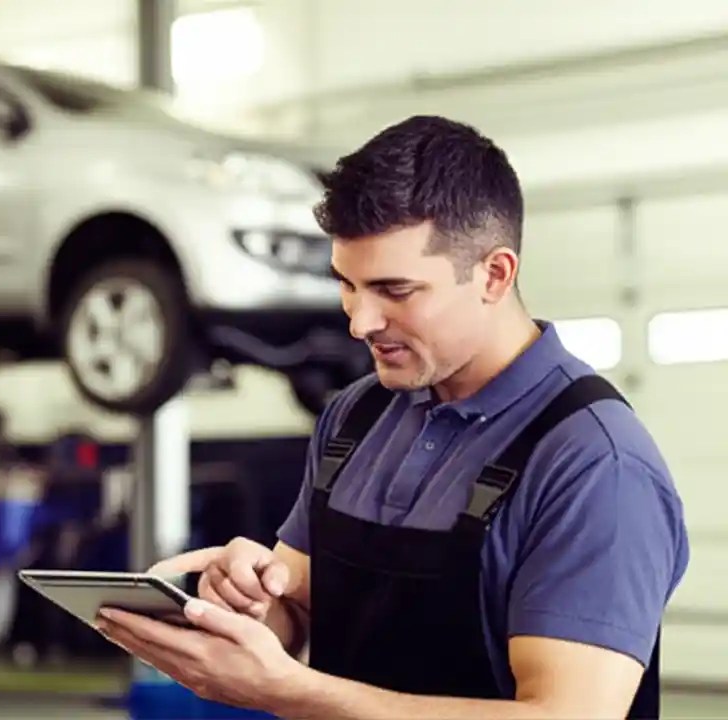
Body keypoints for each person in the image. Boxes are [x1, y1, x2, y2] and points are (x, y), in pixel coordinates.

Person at [96, 116, 689, 718]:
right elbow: (296, 613)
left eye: (395, 290)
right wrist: (244, 604)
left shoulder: (594, 463)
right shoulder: (355, 417)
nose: (360, 322)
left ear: (495, 274)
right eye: (347, 285)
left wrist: (288, 691)